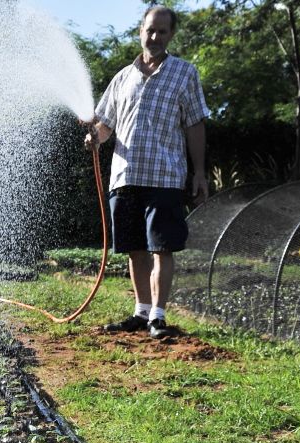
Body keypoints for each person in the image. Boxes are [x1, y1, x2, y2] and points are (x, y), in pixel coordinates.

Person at [83, 5, 208, 339]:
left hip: (165, 176)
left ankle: (159, 316)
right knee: (134, 248)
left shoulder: (185, 73)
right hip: (125, 176)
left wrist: (199, 173)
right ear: (140, 30)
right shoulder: (123, 78)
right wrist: (95, 136)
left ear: (171, 35)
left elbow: (195, 123)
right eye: (150, 30)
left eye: (162, 32)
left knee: (161, 248)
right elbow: (106, 124)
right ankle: (140, 312)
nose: (154, 36)